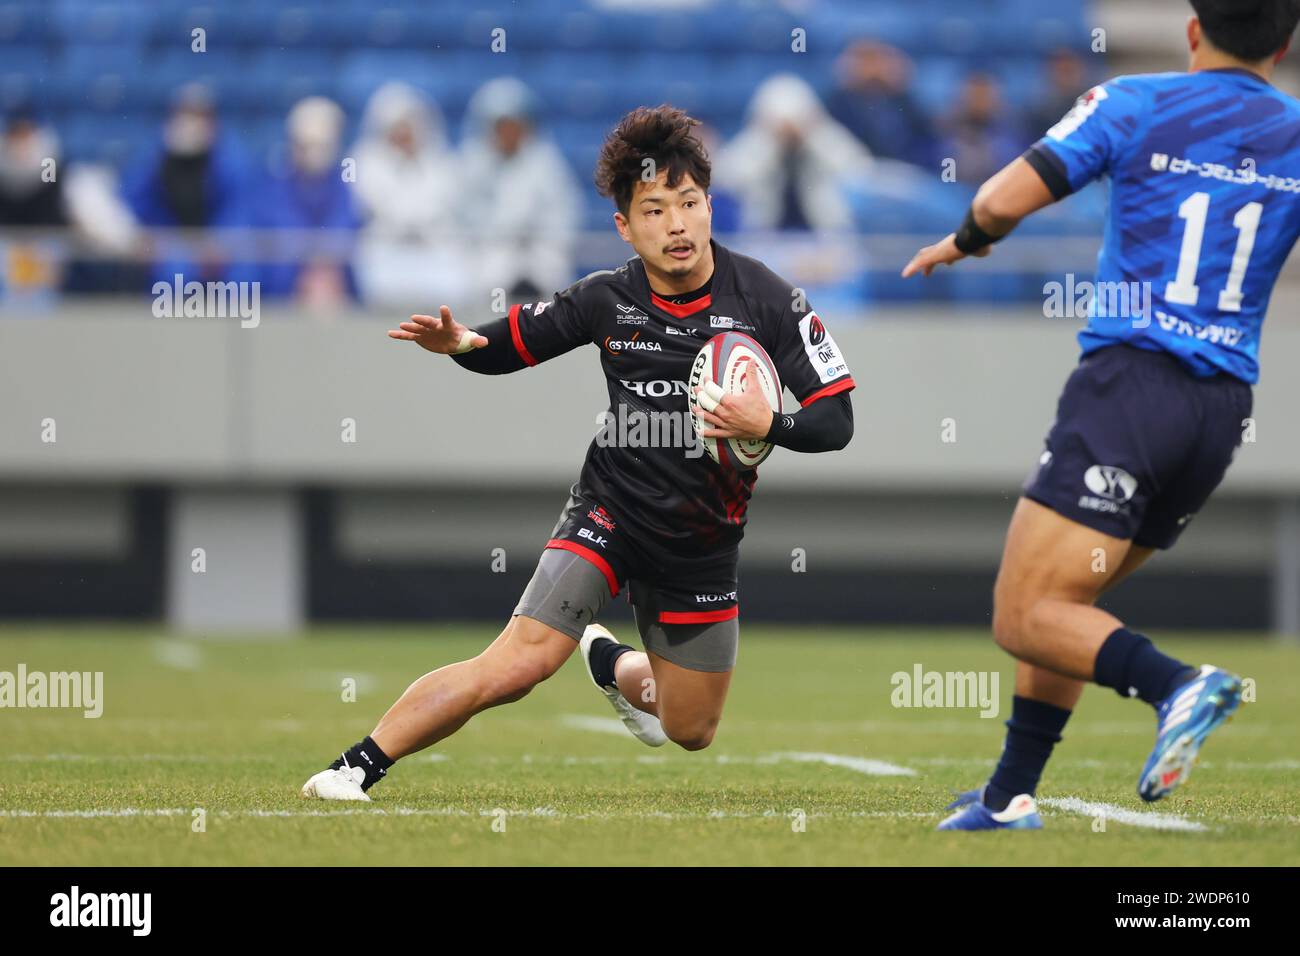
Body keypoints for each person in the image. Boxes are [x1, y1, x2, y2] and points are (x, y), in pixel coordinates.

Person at [302, 105, 856, 801]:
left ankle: (612, 666)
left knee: (690, 729)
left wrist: (766, 419)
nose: (676, 225)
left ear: (711, 205)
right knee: (516, 665)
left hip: (702, 542)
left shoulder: (770, 299)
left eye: (688, 204)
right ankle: (354, 768)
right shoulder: (608, 297)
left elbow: (836, 420)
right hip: (610, 514)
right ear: (625, 226)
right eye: (654, 210)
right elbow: (516, 341)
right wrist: (463, 344)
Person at [902, 0, 1300, 830]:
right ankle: (1010, 797)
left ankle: (1176, 685)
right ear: (1286, 43)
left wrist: (966, 240)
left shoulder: (1137, 100)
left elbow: (1007, 197)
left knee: (1024, 612)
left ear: (1195, 31)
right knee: (1063, 607)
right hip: (1221, 411)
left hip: (1132, 390)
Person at [457, 77, 581, 300]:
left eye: (514, 126)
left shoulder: (546, 164)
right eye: (502, 127)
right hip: (490, 253)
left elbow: (563, 214)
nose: (508, 133)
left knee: (552, 285)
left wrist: (536, 239)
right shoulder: (471, 164)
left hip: (539, 252)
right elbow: (463, 217)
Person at [351, 82, 468, 307]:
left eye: (409, 125)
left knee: (454, 284)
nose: (404, 133)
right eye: (397, 126)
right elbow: (377, 205)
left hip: (432, 247)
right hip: (387, 247)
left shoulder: (441, 159)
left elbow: (442, 205)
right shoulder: (365, 159)